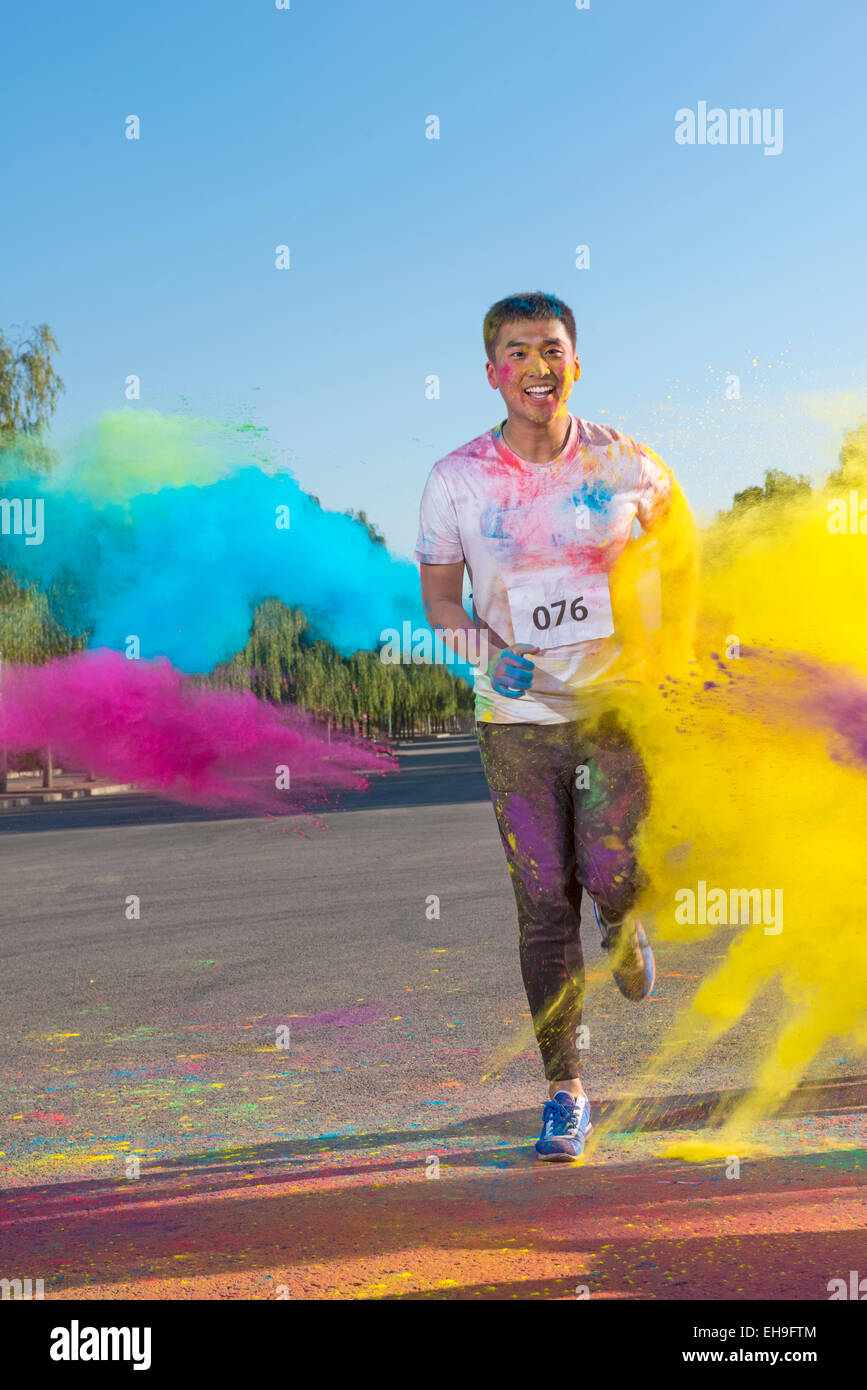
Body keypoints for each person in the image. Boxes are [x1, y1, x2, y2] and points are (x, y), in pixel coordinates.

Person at [415, 290, 695, 1161]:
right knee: (541, 905)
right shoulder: (455, 478)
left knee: (611, 873)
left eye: (552, 349)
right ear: (492, 372)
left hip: (614, 713)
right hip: (516, 720)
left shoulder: (630, 465)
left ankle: (623, 921)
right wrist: (487, 659)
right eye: (517, 351)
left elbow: (684, 566)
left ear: (576, 362)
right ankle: (565, 1092)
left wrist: (668, 660)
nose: (537, 366)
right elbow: (438, 600)